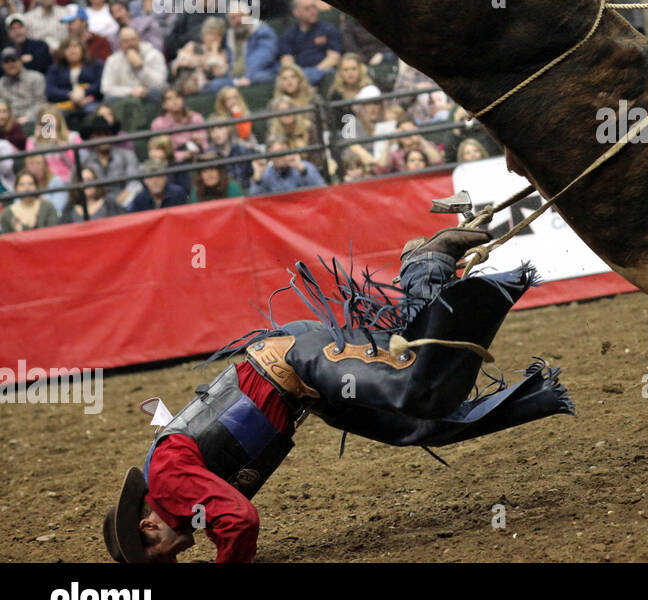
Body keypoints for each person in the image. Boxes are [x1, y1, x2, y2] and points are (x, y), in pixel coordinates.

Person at [103, 226, 574, 563]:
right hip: (306, 389)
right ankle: (541, 392)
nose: (177, 556)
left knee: (414, 388)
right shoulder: (170, 481)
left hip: (292, 362)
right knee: (420, 422)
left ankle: (425, 264)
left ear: (148, 527)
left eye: (164, 558)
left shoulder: (167, 485)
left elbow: (241, 521)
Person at [249, 137, 325, 194]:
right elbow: (254, 205)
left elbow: (322, 190)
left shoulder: (304, 166)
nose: (280, 157)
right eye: (275, 154)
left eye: (282, 152)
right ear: (270, 158)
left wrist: (302, 170)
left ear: (289, 151)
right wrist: (257, 178)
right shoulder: (266, 174)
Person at [61, 168, 126, 223]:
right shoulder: (69, 209)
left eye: (89, 180)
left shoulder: (110, 204)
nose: (86, 184)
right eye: (82, 180)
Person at [1, 45, 46, 124]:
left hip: (32, 120)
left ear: (21, 61)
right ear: (2, 65)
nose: (11, 64)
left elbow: (40, 103)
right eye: (7, 61)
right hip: (8, 123)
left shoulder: (36, 77)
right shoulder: (1, 83)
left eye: (13, 60)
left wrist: (27, 117)